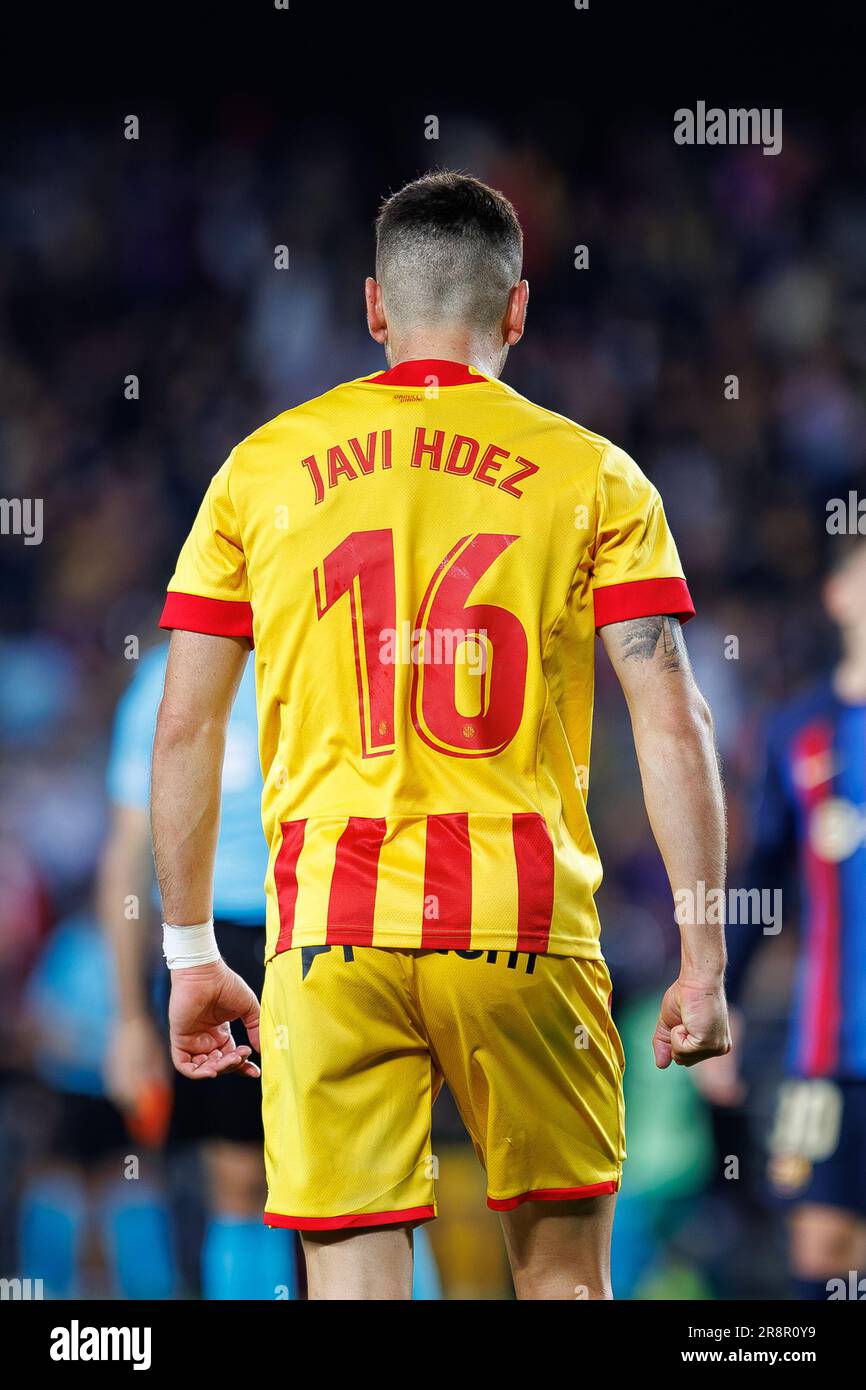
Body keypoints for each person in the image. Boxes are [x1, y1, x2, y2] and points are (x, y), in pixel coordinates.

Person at [149, 171, 730, 1301]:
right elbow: (672, 712)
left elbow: (184, 727)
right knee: (562, 1278)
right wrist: (703, 956)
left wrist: (185, 953)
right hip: (520, 922)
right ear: (515, 311)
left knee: (352, 1283)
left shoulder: (259, 470)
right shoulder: (594, 474)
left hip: (326, 929)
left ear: (374, 307)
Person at [718, 538, 866, 1299]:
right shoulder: (799, 730)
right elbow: (760, 877)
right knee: (821, 1249)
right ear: (838, 595)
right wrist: (724, 1001)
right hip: (829, 1052)